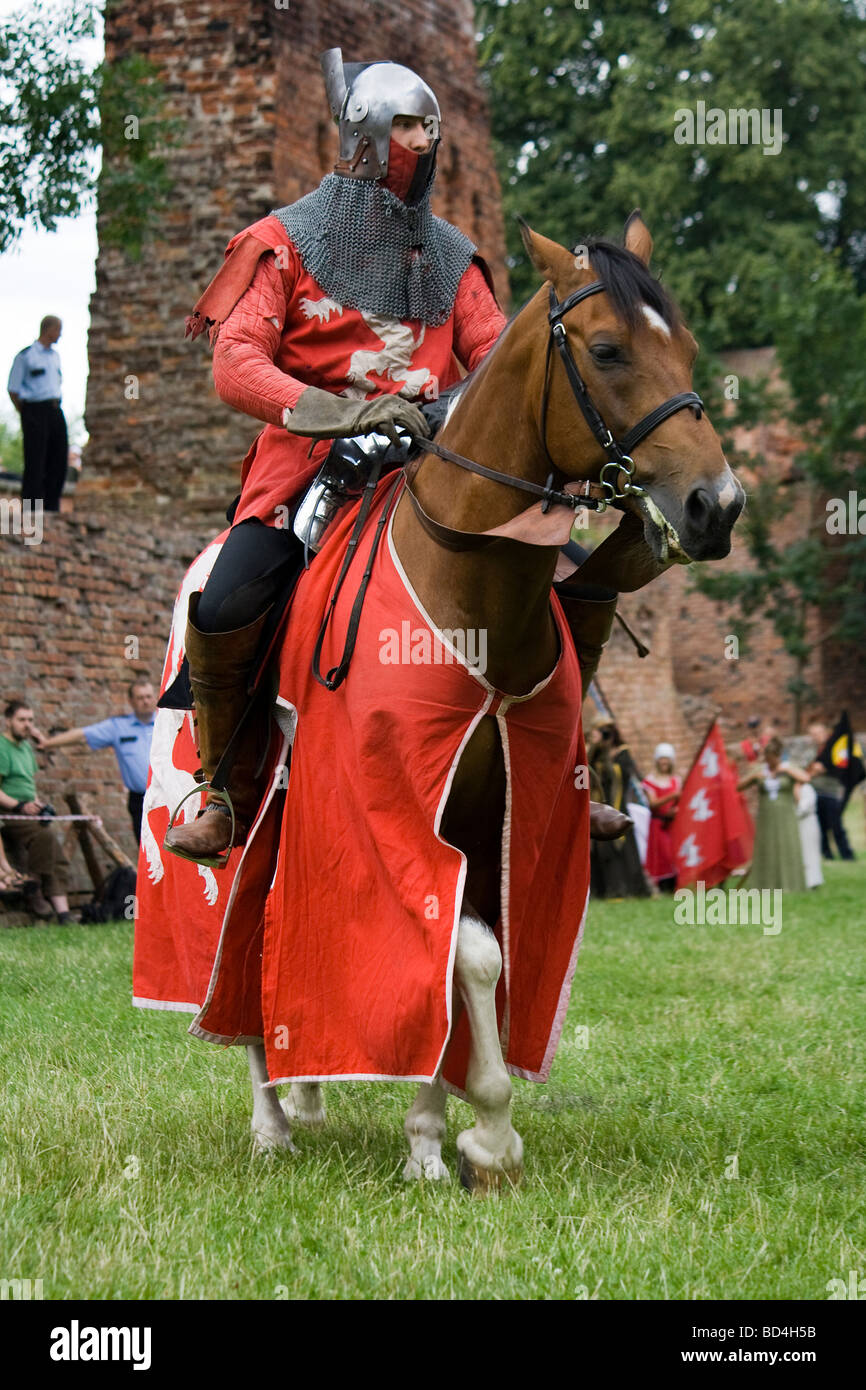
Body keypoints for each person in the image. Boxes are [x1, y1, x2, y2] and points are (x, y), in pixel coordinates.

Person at [161, 50, 509, 865]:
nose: (429, 143)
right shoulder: (284, 240)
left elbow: (496, 359)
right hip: (315, 469)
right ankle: (225, 788)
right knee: (226, 599)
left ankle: (571, 764)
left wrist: (456, 411)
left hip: (430, 462)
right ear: (370, 136)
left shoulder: (452, 260)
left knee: (554, 560)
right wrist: (345, 412)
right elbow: (237, 361)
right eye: (413, 128)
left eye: (433, 128)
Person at [32, 677, 157, 841]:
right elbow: (83, 735)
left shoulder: (167, 722)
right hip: (140, 800)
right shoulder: (119, 726)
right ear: (131, 701)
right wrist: (47, 743)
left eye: (148, 696)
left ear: (155, 697)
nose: (145, 701)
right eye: (140, 698)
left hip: (169, 794)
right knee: (145, 849)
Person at [0, 700, 72, 922]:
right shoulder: (2, 746)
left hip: (28, 811)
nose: (27, 725)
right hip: (10, 813)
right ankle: (34, 888)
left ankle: (63, 913)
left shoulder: (25, 748)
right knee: (45, 836)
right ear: (8, 721)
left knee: (56, 853)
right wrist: (19, 806)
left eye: (30, 720)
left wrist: (39, 806)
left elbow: (29, 788)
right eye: (22, 720)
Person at [6, 315, 68, 511]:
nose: (60, 334)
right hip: (34, 409)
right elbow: (13, 389)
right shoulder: (26, 356)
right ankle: (32, 508)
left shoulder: (55, 356)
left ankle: (51, 507)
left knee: (58, 457)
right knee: (35, 459)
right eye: (58, 329)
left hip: (54, 409)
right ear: (48, 329)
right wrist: (25, 412)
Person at [737, 737, 810, 892]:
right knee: (766, 847)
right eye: (767, 759)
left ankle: (791, 885)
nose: (770, 762)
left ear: (778, 756)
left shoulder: (788, 768)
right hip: (766, 817)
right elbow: (738, 787)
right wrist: (754, 777)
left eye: (773, 759)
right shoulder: (760, 771)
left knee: (787, 846)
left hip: (786, 816)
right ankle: (765, 885)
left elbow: (805, 778)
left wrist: (787, 770)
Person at [588, 717, 650, 899]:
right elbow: (586, 770)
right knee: (600, 848)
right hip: (601, 807)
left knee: (622, 847)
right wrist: (595, 748)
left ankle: (628, 888)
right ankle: (605, 889)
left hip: (618, 806)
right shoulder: (595, 753)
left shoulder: (622, 753)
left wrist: (607, 754)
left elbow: (619, 775)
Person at [807, 720, 855, 861]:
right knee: (820, 826)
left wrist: (820, 769)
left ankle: (847, 854)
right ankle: (827, 854)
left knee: (836, 825)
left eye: (818, 733)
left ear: (825, 733)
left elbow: (839, 767)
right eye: (813, 734)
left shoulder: (835, 750)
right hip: (816, 792)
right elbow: (809, 768)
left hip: (830, 792)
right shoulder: (812, 751)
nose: (816, 737)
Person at [641, 742, 681, 892]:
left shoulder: (676, 780)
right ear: (657, 760)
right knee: (662, 856)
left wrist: (676, 810)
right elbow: (653, 804)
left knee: (673, 855)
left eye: (667, 759)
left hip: (672, 824)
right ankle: (661, 887)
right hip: (658, 824)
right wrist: (672, 795)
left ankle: (675, 886)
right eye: (661, 758)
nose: (664, 762)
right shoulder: (649, 782)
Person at [794, 780, 823, 890]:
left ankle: (812, 881)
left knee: (809, 852)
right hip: (796, 823)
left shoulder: (806, 788)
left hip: (807, 823)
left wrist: (796, 794)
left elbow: (803, 809)